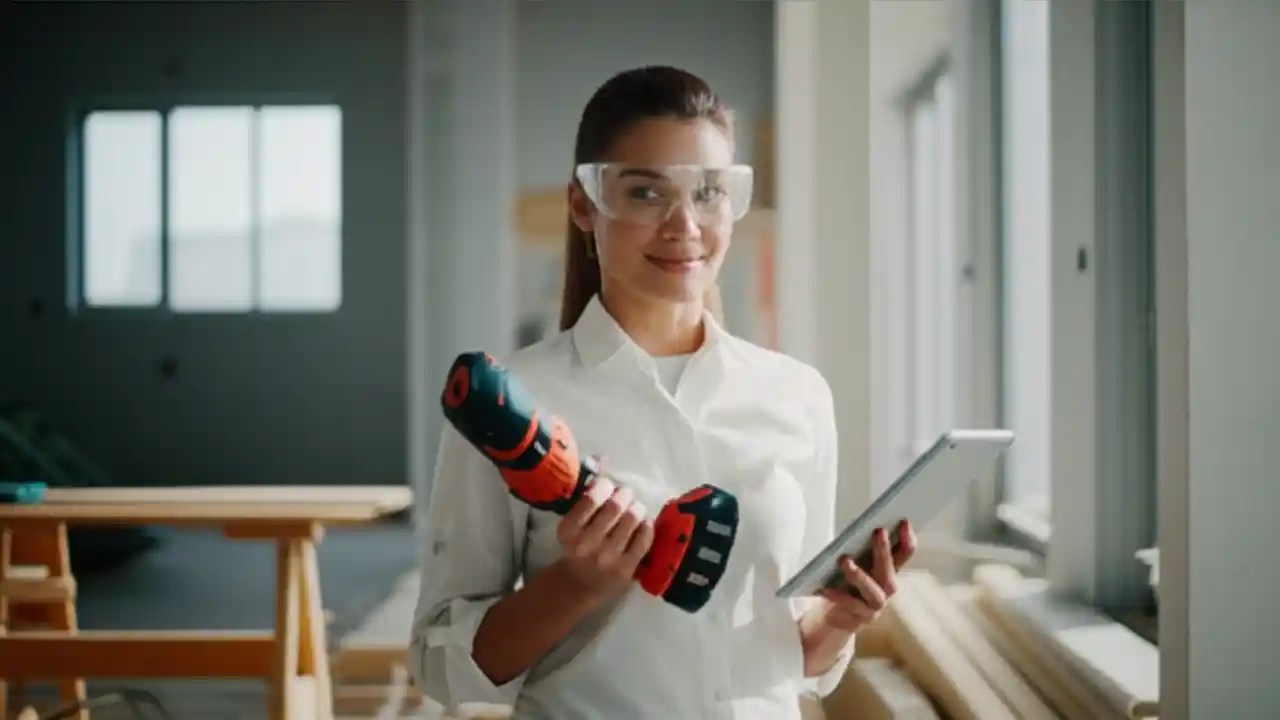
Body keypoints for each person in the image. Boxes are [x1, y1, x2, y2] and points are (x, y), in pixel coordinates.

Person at [409, 65, 916, 720]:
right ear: (583, 204)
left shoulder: (797, 397)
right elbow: (440, 666)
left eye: (709, 192)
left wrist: (840, 620)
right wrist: (577, 583)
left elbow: (791, 656)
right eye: (646, 193)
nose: (685, 225)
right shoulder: (514, 404)